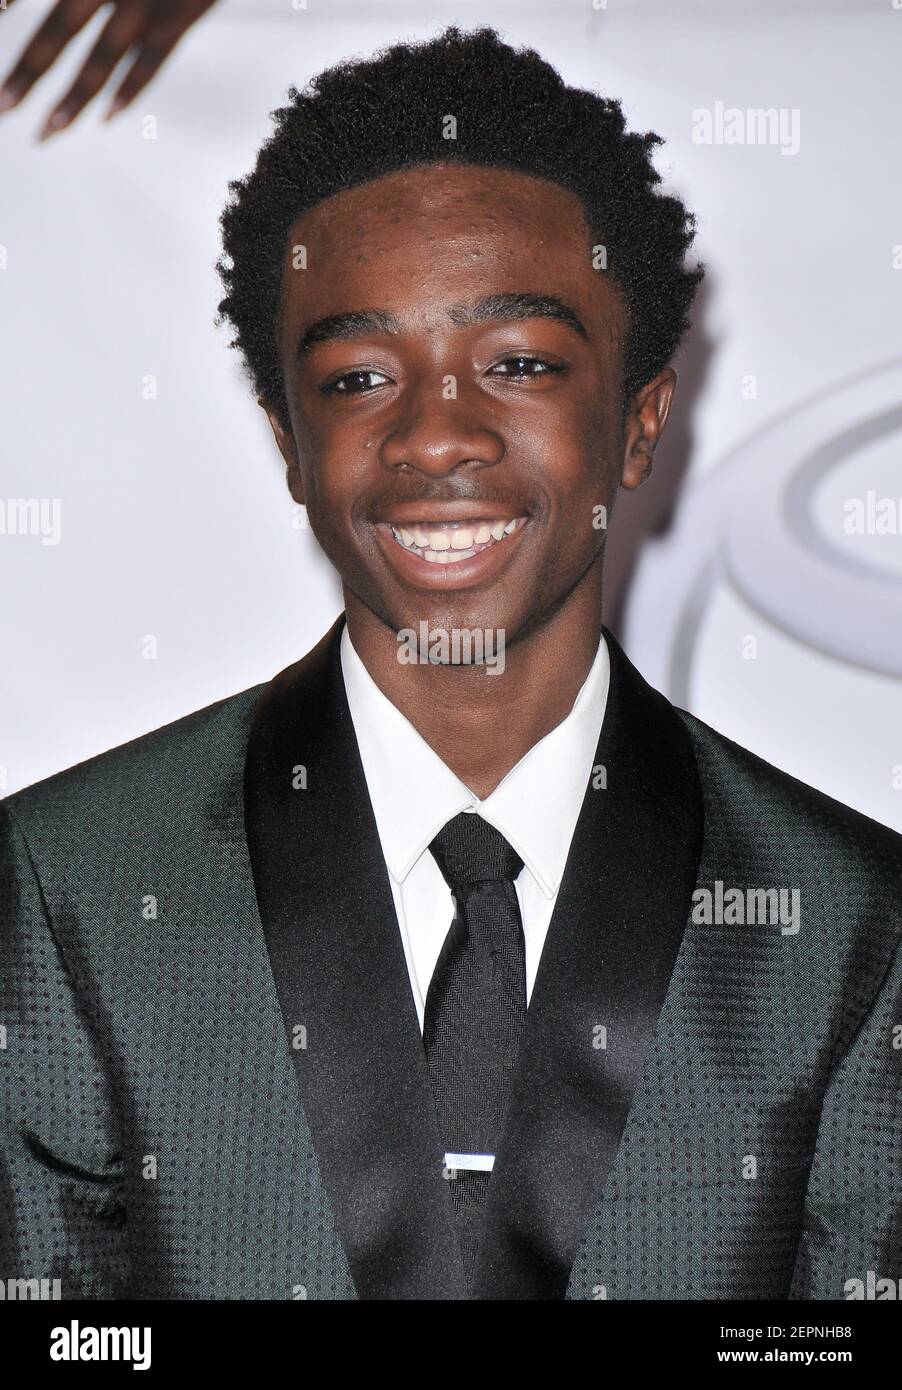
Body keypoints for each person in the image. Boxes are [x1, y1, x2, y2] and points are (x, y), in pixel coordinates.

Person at [1, 26, 900, 1302]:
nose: (435, 434)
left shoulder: (855, 930)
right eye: (361, 375)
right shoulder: (62, 889)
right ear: (290, 446)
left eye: (518, 363)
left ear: (639, 421)